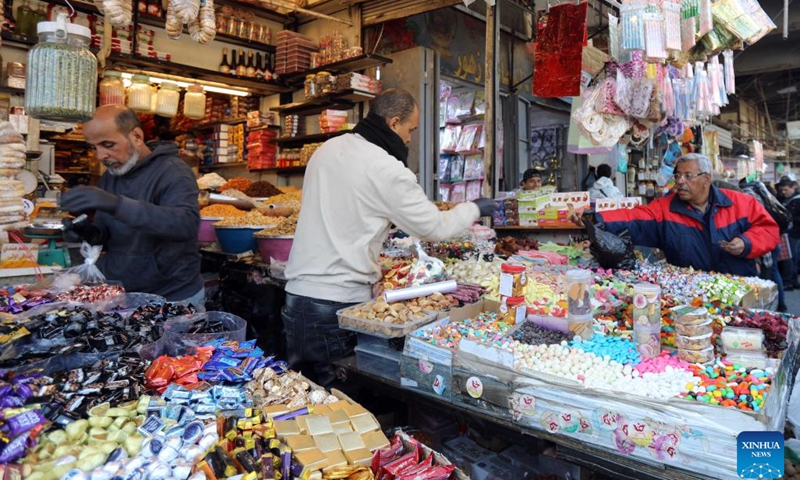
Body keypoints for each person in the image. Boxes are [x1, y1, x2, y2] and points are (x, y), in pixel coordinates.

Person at [282, 88, 496, 387]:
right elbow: (433, 227)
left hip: (298, 300)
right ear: (394, 123)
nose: (409, 139)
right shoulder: (386, 168)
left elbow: (348, 211)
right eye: (410, 130)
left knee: (304, 402)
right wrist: (474, 207)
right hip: (335, 307)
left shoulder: (327, 150)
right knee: (340, 410)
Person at [59, 105, 204, 304]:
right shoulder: (110, 177)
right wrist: (89, 233)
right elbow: (108, 232)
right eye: (94, 147)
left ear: (136, 136)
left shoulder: (173, 172)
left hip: (170, 298)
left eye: (108, 144)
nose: (100, 156)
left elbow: (184, 225)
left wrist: (116, 204)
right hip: (121, 293)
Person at [571, 153, 779, 277]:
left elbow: (768, 230)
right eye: (678, 175)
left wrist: (746, 243)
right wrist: (593, 215)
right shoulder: (665, 208)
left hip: (737, 286)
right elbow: (632, 217)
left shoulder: (740, 202)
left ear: (706, 178)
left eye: (688, 176)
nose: (680, 181)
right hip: (690, 296)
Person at [779, 178, 800, 289]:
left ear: (793, 187)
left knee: (790, 258)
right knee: (793, 257)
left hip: (794, 233)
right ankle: (793, 280)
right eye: (782, 190)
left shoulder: (797, 201)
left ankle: (789, 281)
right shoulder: (787, 200)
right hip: (791, 233)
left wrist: (790, 217)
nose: (784, 192)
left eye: (786, 190)